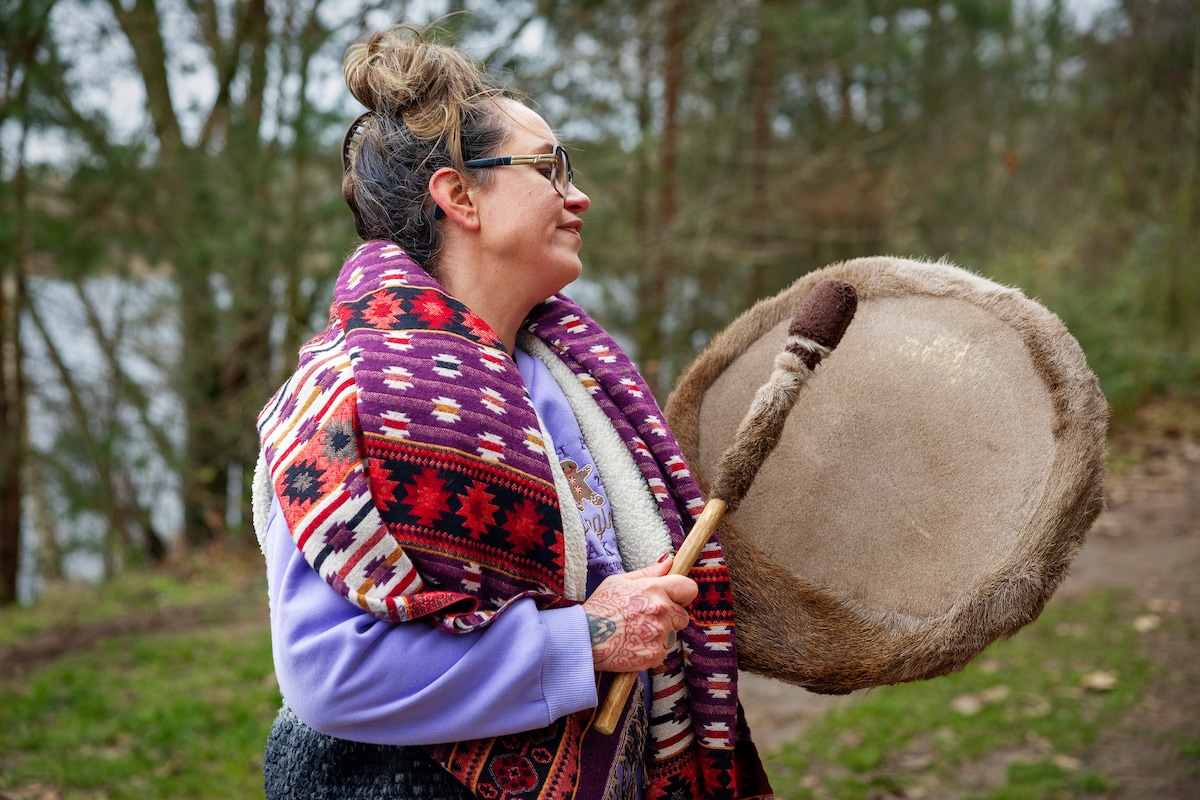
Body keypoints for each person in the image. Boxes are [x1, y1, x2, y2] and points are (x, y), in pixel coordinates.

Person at [252, 22, 775, 800]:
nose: (578, 193)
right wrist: (586, 639)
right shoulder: (350, 395)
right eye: (549, 167)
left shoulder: (573, 380)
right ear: (459, 195)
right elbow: (330, 674)